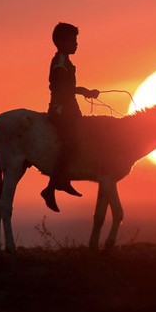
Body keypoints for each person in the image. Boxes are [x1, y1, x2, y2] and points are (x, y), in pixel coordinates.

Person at [40, 22, 100, 213]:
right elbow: (58, 88)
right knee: (71, 145)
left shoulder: (65, 60)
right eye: (73, 40)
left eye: (76, 40)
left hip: (69, 109)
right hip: (61, 110)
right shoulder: (60, 62)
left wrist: (83, 93)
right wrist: (83, 91)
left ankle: (64, 180)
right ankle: (51, 188)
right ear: (61, 42)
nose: (76, 44)